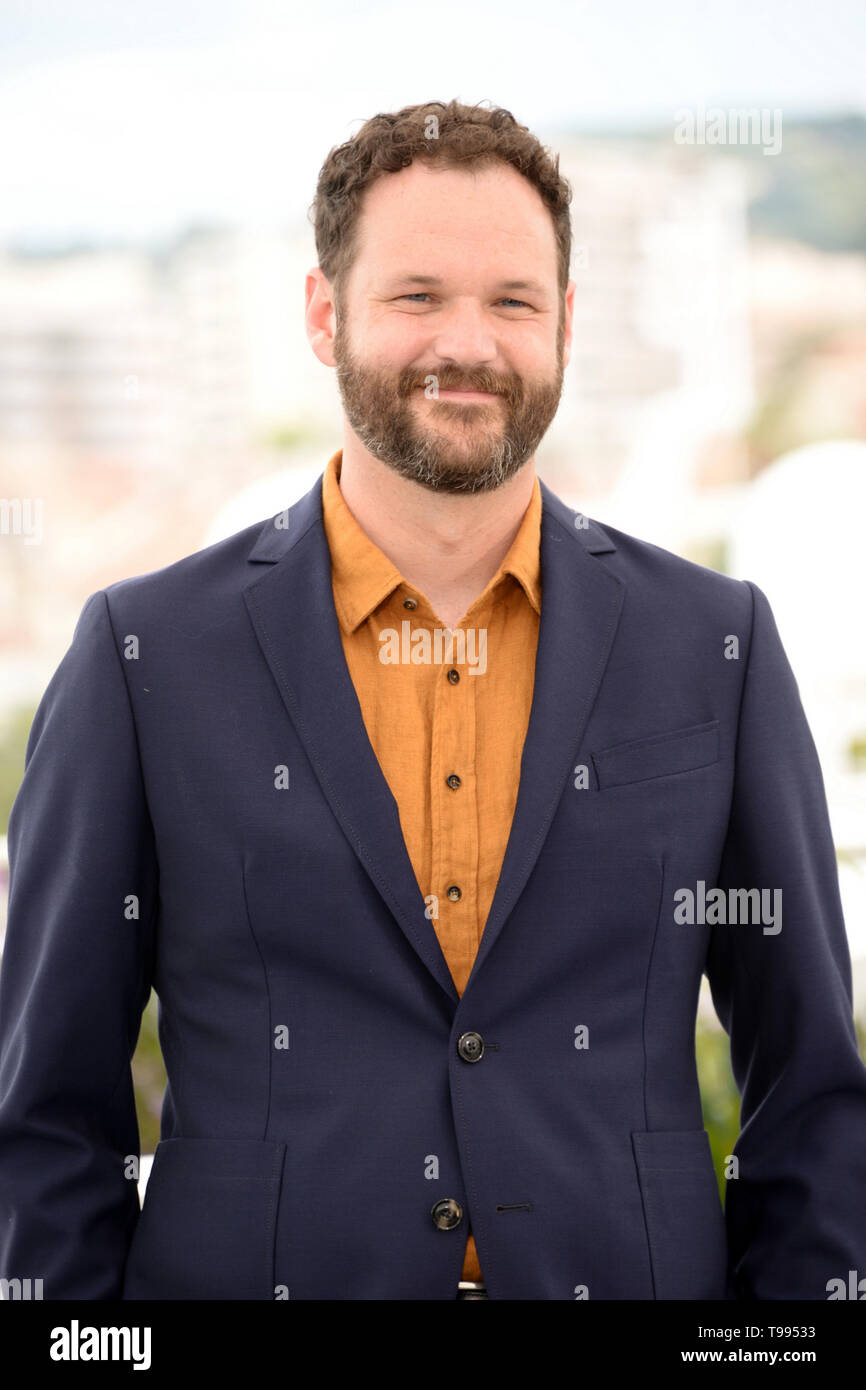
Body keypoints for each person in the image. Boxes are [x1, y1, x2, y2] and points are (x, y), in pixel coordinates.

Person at [1, 99, 865, 1301]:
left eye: (512, 301)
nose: (467, 342)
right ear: (323, 314)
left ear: (563, 325)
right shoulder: (142, 654)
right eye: (416, 296)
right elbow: (45, 1114)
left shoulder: (714, 644)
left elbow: (813, 1089)